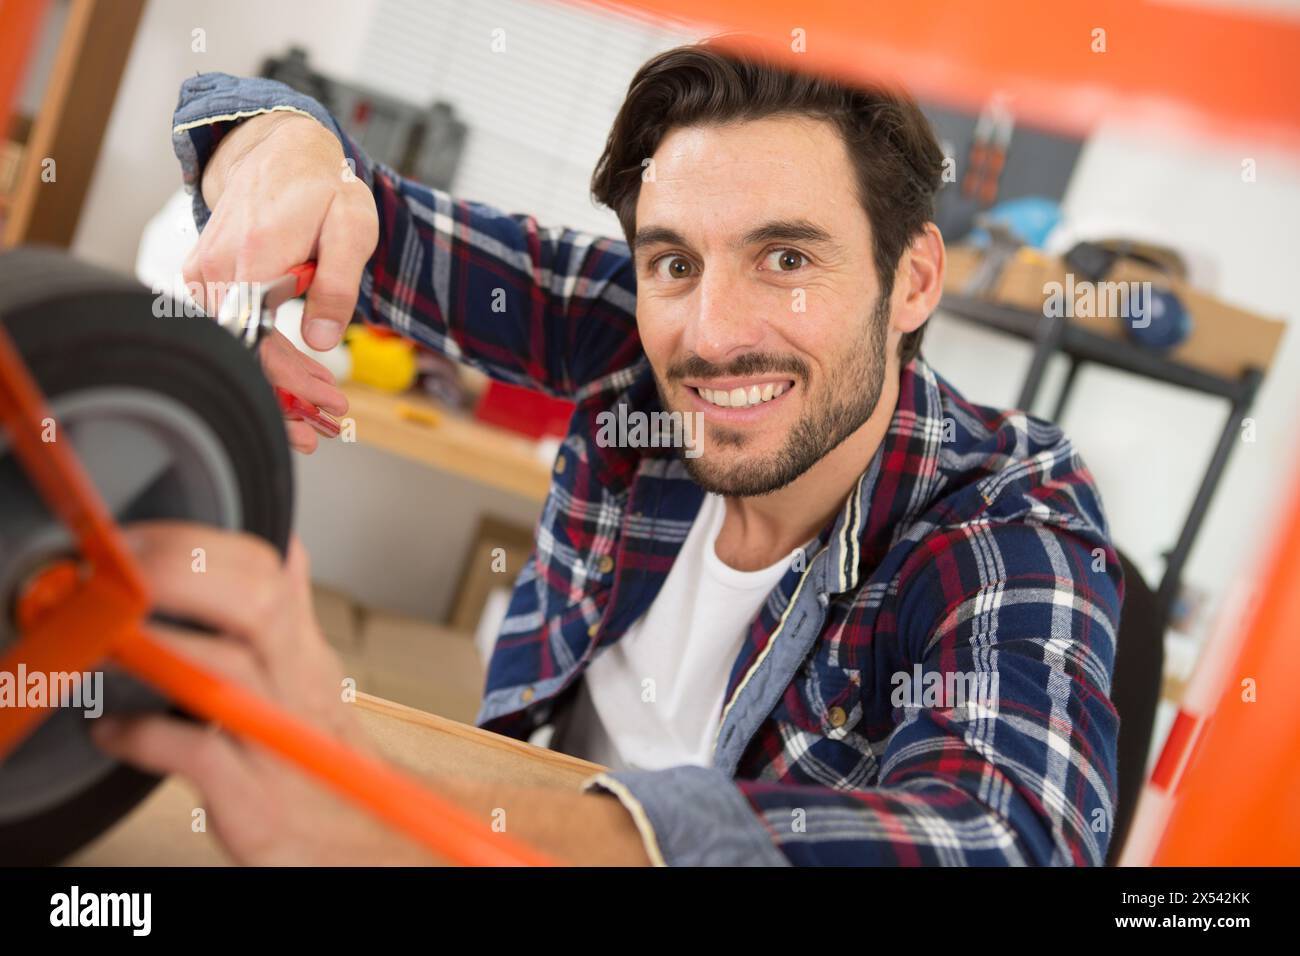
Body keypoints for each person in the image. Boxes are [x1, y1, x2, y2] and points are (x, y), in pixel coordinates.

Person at [95, 36, 1123, 866]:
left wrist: (392, 821)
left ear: (911, 278)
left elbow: (1007, 836)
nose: (712, 332)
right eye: (673, 258)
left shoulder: (1005, 512)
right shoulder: (627, 318)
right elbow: (355, 212)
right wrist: (280, 151)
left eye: (786, 256)